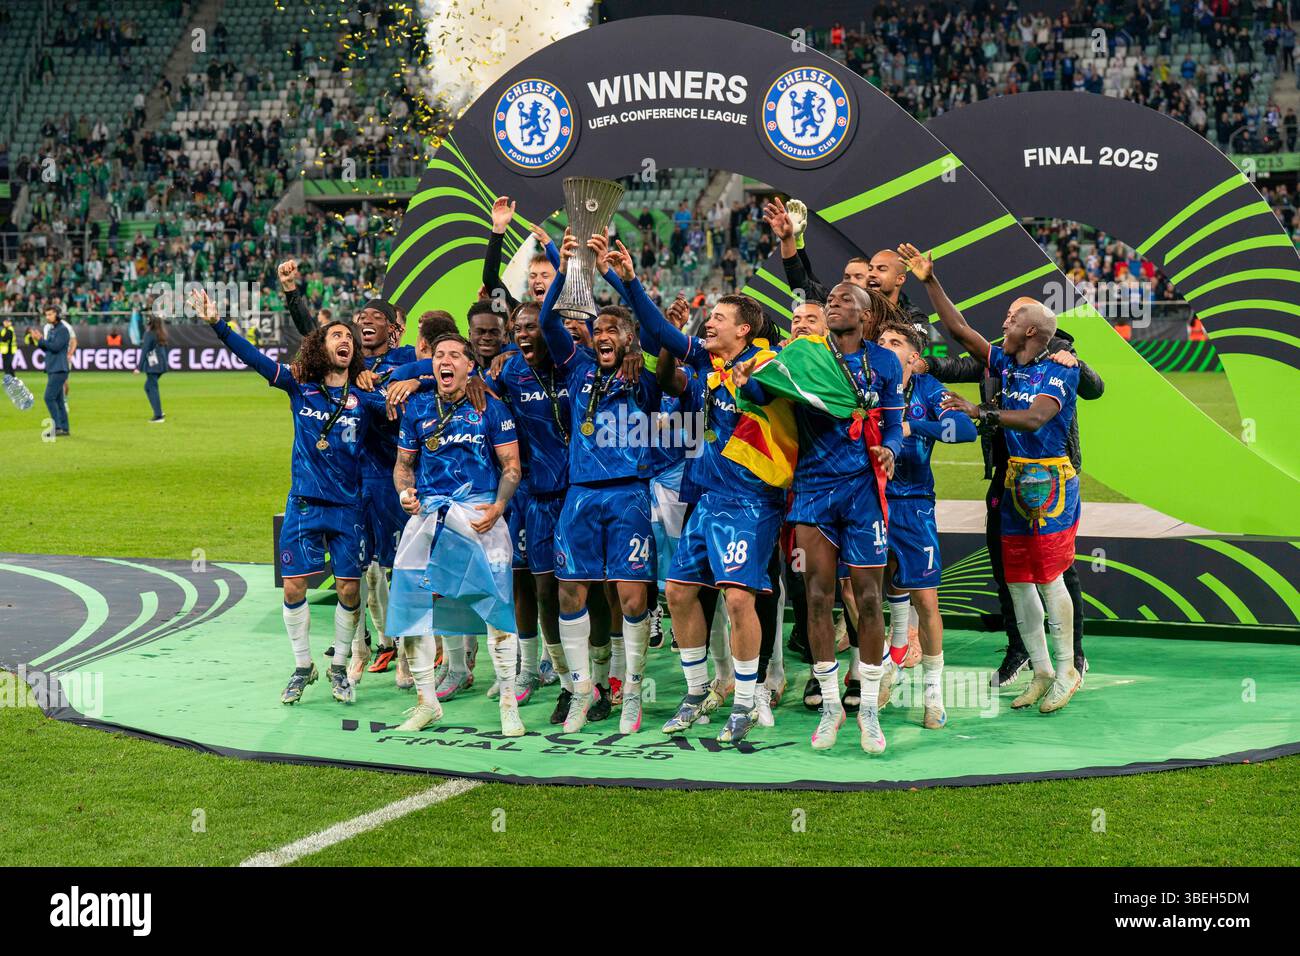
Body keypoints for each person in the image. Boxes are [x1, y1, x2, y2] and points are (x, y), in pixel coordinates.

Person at [605, 238, 786, 744]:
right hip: (707, 497)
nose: (709, 323)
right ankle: (696, 690)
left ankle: (748, 701)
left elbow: (760, 393)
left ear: (744, 329)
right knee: (680, 591)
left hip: (752, 502)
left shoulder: (770, 361)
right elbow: (661, 335)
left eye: (719, 317)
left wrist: (744, 375)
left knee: (737, 599)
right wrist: (626, 280)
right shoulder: (710, 366)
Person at [901, 244, 1084, 714]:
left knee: (1049, 579)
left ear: (1030, 330)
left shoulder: (1057, 372)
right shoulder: (1007, 362)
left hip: (1051, 485)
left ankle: (1068, 670)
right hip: (1014, 482)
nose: (1001, 324)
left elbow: (1036, 419)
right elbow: (960, 331)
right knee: (1020, 581)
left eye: (1008, 319)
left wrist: (979, 411)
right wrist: (929, 281)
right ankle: (1042, 671)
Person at [192, 287, 386, 707]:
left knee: (351, 592)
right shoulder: (300, 386)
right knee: (295, 587)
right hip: (304, 503)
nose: (345, 340)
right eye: (336, 335)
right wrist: (217, 324)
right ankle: (303, 666)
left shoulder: (366, 398)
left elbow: (408, 402)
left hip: (350, 506)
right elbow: (255, 359)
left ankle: (337, 667)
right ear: (321, 346)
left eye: (348, 338)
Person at [740, 282, 905, 753]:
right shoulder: (801, 355)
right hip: (813, 491)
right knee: (816, 599)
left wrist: (890, 449)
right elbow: (759, 389)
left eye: (845, 299)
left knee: (870, 601)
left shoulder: (886, 363)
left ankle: (869, 708)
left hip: (863, 492)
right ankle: (831, 706)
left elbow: (893, 423)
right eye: (829, 300)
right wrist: (745, 375)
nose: (833, 304)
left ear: (867, 315)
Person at [538, 230, 659, 734]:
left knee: (631, 599)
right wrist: (565, 269)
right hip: (580, 496)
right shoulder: (576, 364)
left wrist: (627, 287)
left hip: (630, 494)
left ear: (629, 340)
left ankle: (631, 693)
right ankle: (581, 692)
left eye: (615, 328)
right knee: (571, 594)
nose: (603, 332)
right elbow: (546, 321)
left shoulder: (643, 373)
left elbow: (659, 341)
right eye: (599, 326)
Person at [389, 331, 525, 736]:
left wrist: (500, 506)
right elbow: (402, 466)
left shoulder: (492, 408)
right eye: (438, 356)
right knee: (412, 606)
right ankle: (427, 702)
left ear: (470, 366)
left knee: (497, 609)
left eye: (453, 356)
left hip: (480, 515)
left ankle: (507, 703)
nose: (443, 361)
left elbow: (512, 466)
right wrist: (404, 494)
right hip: (429, 517)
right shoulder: (416, 409)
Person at [874, 319, 977, 727]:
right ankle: (886, 666)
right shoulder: (862, 383)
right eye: (880, 340)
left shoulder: (929, 391)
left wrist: (911, 425)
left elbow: (966, 429)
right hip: (866, 502)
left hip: (913, 503)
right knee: (866, 593)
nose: (884, 345)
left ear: (914, 359)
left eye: (894, 342)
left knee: (925, 599)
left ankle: (933, 689)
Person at [29, 306, 71, 437]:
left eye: (50, 314)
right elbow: (48, 349)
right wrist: (39, 340)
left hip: (59, 368)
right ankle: (64, 428)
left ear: (57, 314)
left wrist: (42, 340)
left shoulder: (63, 330)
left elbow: (56, 347)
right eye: (46, 315)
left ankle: (57, 427)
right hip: (54, 368)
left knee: (48, 397)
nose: (47, 317)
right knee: (58, 400)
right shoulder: (54, 330)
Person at [134, 314, 168, 422]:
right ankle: (158, 411)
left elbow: (145, 350)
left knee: (152, 388)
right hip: (161, 364)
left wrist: (138, 367)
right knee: (148, 387)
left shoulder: (149, 334)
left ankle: (158, 415)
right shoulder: (161, 333)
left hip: (153, 365)